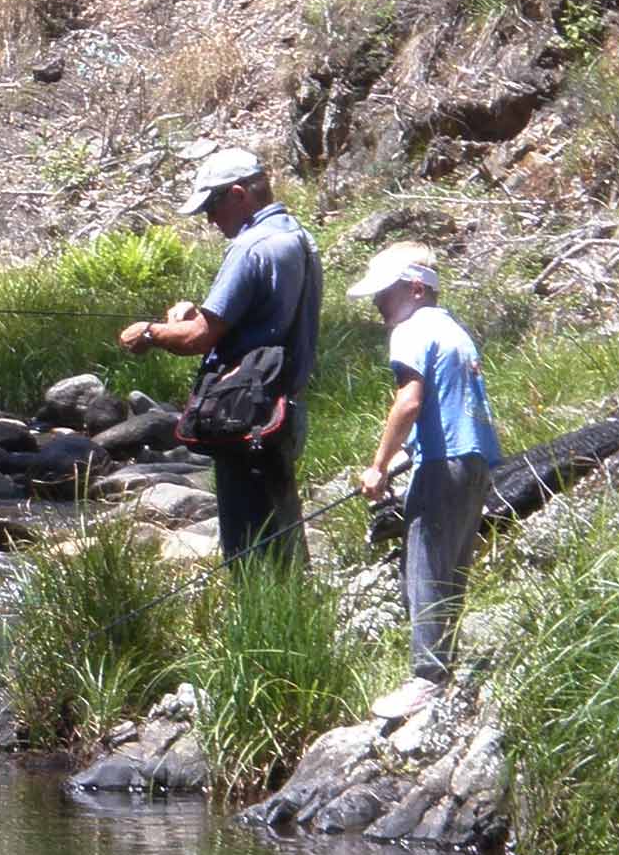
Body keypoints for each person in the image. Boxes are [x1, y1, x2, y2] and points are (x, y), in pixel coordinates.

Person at [118, 147, 322, 565]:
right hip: (283, 411)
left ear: (238, 194)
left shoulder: (250, 247)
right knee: (281, 538)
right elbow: (250, 320)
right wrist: (197, 313)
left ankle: (260, 623)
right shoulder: (296, 236)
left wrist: (150, 333)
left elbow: (198, 337)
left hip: (247, 418)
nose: (210, 219)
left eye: (213, 205)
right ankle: (289, 617)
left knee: (248, 551)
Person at [349, 242, 502, 721]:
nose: (378, 305)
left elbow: (409, 402)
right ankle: (443, 670)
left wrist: (377, 466)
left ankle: (425, 680)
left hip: (443, 463)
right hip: (476, 461)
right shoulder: (454, 329)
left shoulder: (411, 330)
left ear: (416, 288)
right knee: (453, 569)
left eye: (385, 294)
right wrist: (408, 455)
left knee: (424, 569)